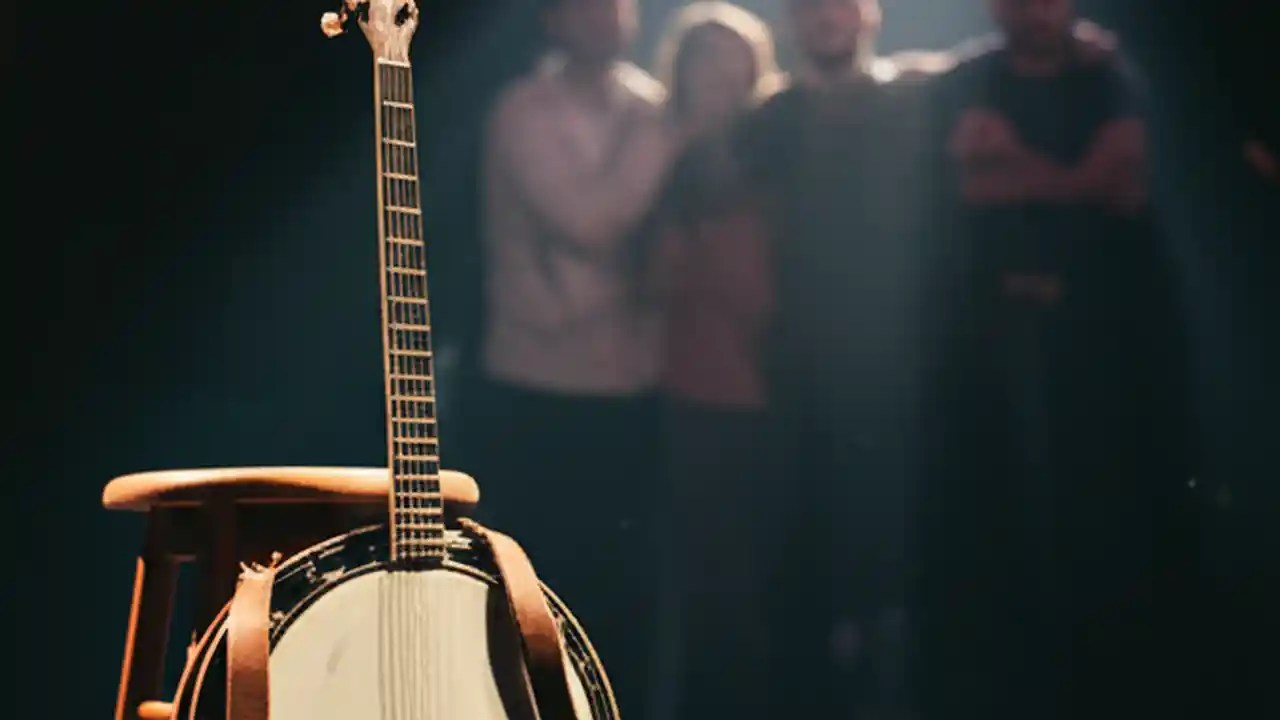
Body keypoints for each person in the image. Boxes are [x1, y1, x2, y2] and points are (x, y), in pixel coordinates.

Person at [922, 1, 1200, 717]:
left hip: (1101, 344)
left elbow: (1127, 186)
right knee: (1005, 530)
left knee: (1099, 525)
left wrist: (1018, 164)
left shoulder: (1109, 76)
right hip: (992, 347)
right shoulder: (966, 83)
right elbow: (971, 184)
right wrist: (1079, 177)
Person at [469, 0, 685, 715]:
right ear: (553, 21)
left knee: (624, 597)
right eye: (586, 6)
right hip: (539, 385)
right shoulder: (522, 111)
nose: (607, 16)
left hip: (634, 386)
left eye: (617, 3)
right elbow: (589, 225)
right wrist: (669, 134)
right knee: (541, 590)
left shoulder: (648, 104)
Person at [642, 4, 783, 718]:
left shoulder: (779, 151)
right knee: (698, 587)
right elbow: (650, 277)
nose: (723, 79)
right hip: (689, 395)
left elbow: (762, 288)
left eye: (736, 65)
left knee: (761, 585)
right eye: (708, 63)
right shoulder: (660, 155)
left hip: (773, 398)